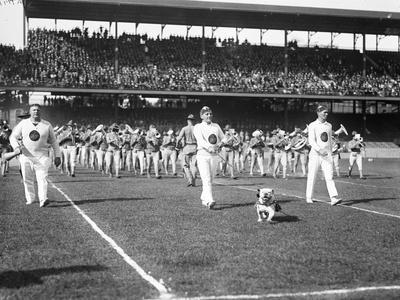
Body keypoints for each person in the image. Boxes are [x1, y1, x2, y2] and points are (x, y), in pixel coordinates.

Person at [9, 104, 61, 207]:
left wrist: (57, 155)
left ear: (40, 112)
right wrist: (16, 147)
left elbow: (54, 141)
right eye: (33, 110)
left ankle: (43, 199)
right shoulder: (23, 123)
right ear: (30, 112)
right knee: (27, 179)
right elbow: (13, 137)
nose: (36, 112)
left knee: (42, 178)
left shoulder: (47, 125)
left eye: (37, 110)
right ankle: (30, 198)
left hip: (42, 156)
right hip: (26, 156)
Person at [306, 105, 341, 205]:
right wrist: (319, 150)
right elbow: (311, 141)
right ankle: (309, 197)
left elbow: (329, 140)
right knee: (312, 176)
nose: (326, 114)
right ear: (318, 113)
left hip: (327, 155)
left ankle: (333, 198)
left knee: (329, 176)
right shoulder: (312, 125)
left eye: (327, 112)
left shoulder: (329, 125)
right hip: (315, 155)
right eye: (324, 112)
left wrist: (330, 152)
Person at [193, 106, 224, 209]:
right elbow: (200, 141)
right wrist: (209, 147)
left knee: (211, 179)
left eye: (210, 113)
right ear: (201, 116)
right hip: (202, 155)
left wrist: (221, 144)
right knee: (206, 178)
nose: (209, 115)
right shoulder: (198, 127)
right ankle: (210, 200)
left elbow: (223, 138)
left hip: (214, 156)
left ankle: (204, 198)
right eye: (206, 114)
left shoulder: (216, 126)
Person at [176, 114, 197, 186]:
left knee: (186, 165)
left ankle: (190, 180)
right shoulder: (196, 128)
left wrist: (177, 146)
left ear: (188, 120)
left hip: (187, 147)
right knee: (194, 165)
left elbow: (179, 138)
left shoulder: (184, 128)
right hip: (195, 147)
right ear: (193, 121)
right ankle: (193, 181)